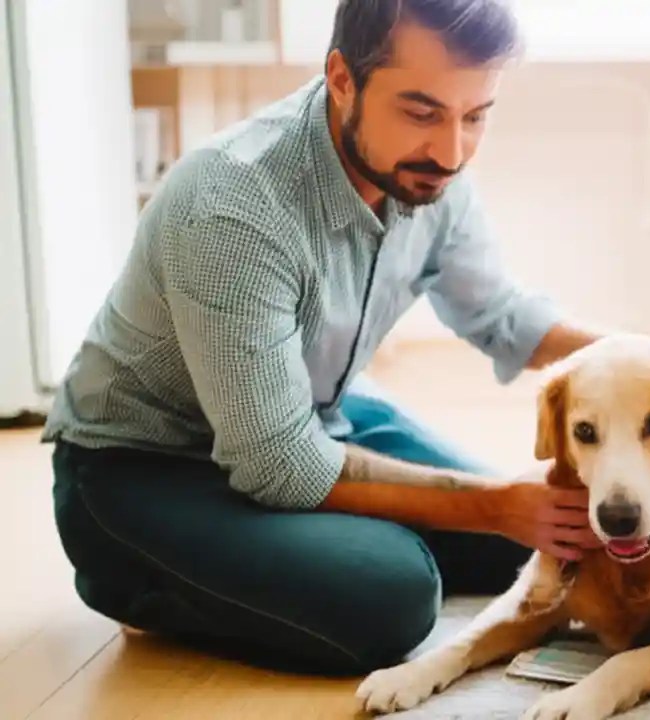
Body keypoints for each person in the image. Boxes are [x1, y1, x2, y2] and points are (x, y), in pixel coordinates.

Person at [42, 0, 603, 676]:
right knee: (389, 598)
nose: (452, 152)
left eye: (475, 116)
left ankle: (319, 545)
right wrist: (486, 503)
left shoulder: (428, 171)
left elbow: (503, 316)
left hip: (310, 415)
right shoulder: (233, 205)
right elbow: (280, 465)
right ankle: (137, 579)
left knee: (551, 538)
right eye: (422, 112)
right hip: (142, 467)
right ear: (342, 79)